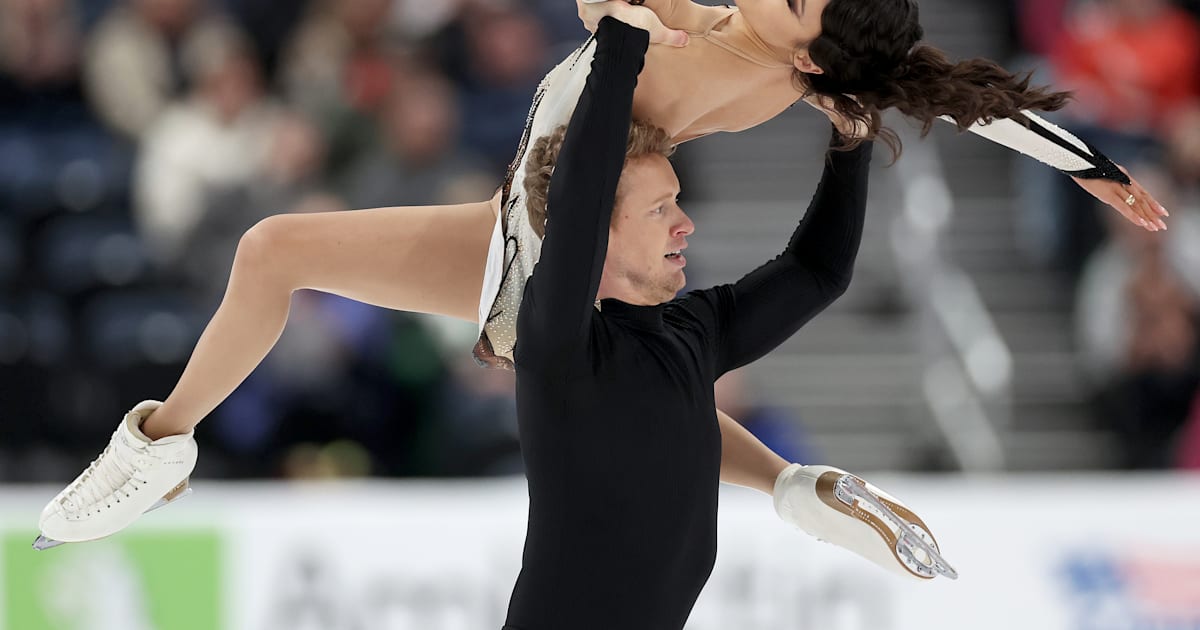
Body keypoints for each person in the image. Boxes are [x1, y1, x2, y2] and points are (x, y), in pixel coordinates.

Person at [35, 0, 1162, 559]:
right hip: (511, 228)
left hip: (548, 251)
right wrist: (1103, 170)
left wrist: (636, 16)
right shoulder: (785, 46)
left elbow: (594, 22)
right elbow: (977, 100)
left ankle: (160, 445)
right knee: (277, 252)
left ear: (815, 53)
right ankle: (784, 485)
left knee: (272, 250)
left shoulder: (738, 43)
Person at [507, 21, 947, 630]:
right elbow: (579, 199)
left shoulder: (692, 333)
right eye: (660, 209)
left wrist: (852, 135)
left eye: (678, 201)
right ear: (596, 231)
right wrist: (622, 40)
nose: (684, 224)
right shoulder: (560, 346)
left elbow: (818, 271)